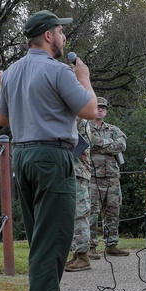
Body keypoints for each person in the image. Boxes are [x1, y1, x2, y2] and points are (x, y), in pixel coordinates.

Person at [0, 10, 94, 291]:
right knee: (56, 238)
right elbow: (89, 109)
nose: (63, 37)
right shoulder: (60, 71)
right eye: (60, 31)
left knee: (39, 238)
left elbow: (1, 119)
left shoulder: (13, 72)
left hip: (23, 156)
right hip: (52, 156)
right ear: (48, 36)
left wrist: (8, 85)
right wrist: (84, 76)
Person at [86, 97, 129, 257]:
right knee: (91, 212)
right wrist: (109, 145)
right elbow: (89, 142)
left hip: (112, 177)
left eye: (103, 108)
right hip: (92, 177)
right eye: (97, 107)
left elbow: (122, 145)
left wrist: (101, 145)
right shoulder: (85, 128)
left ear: (106, 111)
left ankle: (112, 244)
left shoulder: (114, 129)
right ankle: (90, 246)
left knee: (113, 211)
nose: (100, 110)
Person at [65, 117, 94, 272]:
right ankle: (77, 254)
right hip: (70, 171)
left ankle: (83, 256)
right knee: (71, 215)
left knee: (79, 213)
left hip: (78, 171)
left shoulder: (79, 118)